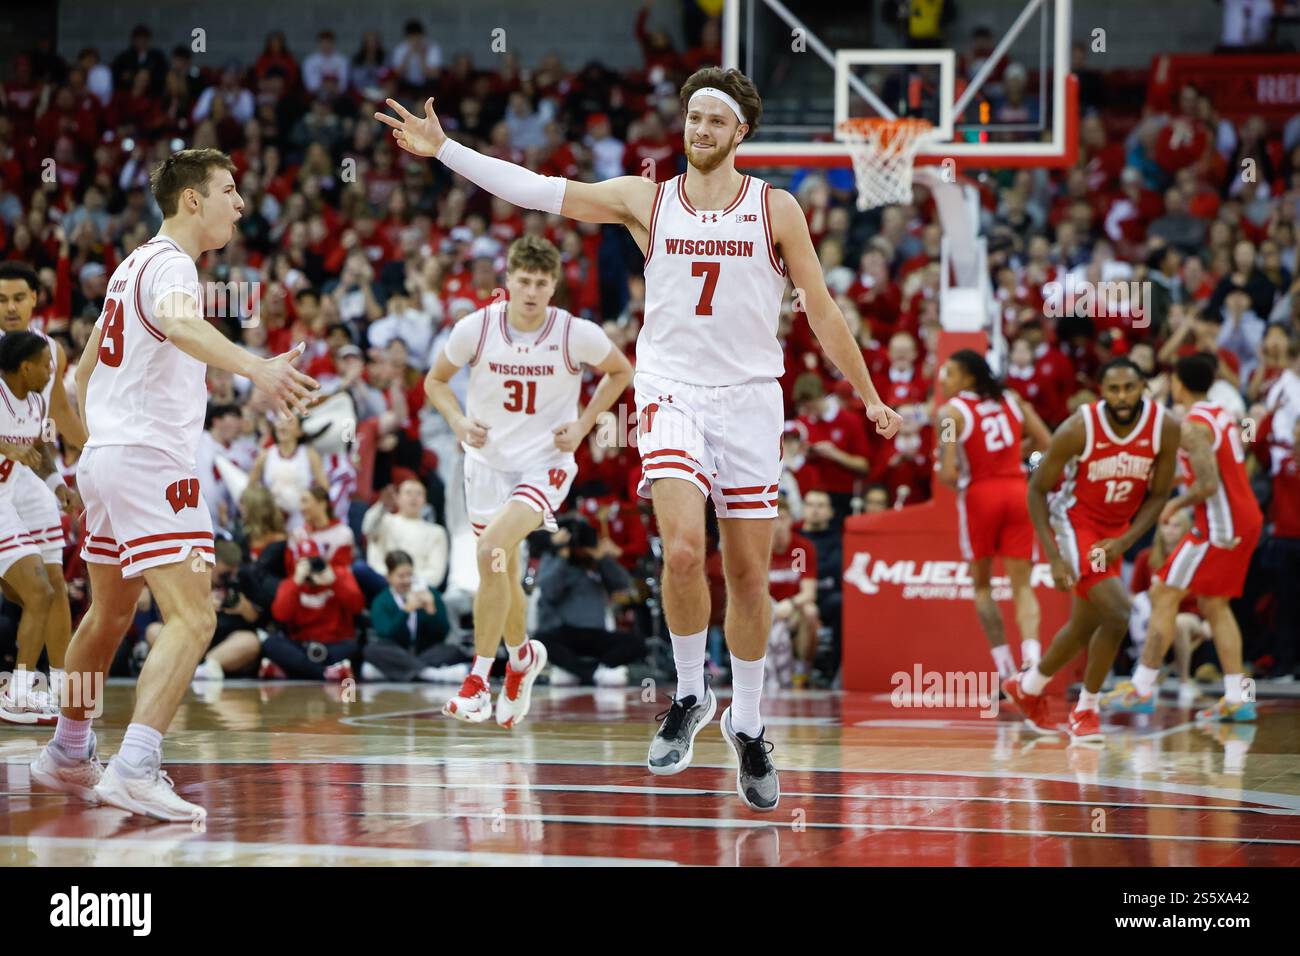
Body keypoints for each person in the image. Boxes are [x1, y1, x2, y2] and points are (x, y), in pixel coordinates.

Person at [379, 66, 901, 811]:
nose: (700, 131)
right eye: (693, 118)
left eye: (715, 121)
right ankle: (690, 694)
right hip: (671, 394)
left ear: (740, 132)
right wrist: (447, 150)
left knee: (748, 576)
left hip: (751, 400)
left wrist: (870, 395)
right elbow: (539, 188)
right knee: (684, 550)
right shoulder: (646, 200)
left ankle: (748, 725)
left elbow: (820, 307)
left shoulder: (775, 209)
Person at [29, 148, 317, 823]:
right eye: (230, 189)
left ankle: (69, 752)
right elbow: (185, 324)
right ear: (193, 200)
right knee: (195, 617)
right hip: (150, 461)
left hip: (107, 457)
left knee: (109, 615)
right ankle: (134, 767)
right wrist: (258, 369)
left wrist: (84, 443)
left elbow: (85, 368)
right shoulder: (173, 265)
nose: (240, 203)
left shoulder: (130, 266)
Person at [422, 235, 632, 728]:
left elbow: (620, 371)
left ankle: (477, 682)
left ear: (553, 286)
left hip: (544, 463)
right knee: (504, 570)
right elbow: (434, 381)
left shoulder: (573, 333)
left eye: (542, 283)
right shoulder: (476, 328)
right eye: (524, 281)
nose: (532, 291)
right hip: (487, 463)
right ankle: (521, 658)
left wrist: (583, 425)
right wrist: (456, 421)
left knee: (490, 550)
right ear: (508, 283)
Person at [1003, 358, 1180, 744]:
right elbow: (1036, 489)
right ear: (1101, 392)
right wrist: (1053, 555)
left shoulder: (1164, 427)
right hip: (1076, 524)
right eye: (1113, 389)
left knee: (1085, 624)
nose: (1121, 396)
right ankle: (1086, 708)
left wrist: (1126, 540)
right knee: (1118, 613)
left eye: (1129, 388)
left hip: (1117, 531)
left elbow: (1161, 494)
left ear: (1142, 389)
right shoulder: (1079, 427)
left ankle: (1028, 687)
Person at [1103, 354, 1263, 721]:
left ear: (1179, 384)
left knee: (1163, 591)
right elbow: (1216, 466)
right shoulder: (1218, 412)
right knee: (1214, 605)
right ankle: (1238, 697)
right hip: (1239, 517)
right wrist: (1170, 483)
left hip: (1220, 524)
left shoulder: (1192, 425)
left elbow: (1207, 485)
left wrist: (1175, 506)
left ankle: (1142, 688)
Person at [0, 262, 87, 713]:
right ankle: (16, 686)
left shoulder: (50, 352)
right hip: (6, 469)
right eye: (1, 300)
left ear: (36, 298)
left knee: (52, 580)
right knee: (31, 589)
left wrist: (95, 449)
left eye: (18, 297)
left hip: (22, 474)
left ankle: (56, 688)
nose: (10, 307)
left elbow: (53, 419)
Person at [935, 349, 1052, 679]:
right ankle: (1032, 659)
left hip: (981, 496)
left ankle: (1005, 672)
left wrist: (948, 464)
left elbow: (947, 471)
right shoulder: (1012, 399)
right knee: (1022, 587)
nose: (944, 380)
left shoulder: (949, 414)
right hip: (1018, 491)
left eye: (950, 374)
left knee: (983, 586)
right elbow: (1046, 442)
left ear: (968, 378)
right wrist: (1017, 453)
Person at [0, 333, 61, 724]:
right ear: (26, 367)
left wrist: (60, 488)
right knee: (40, 593)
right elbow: (15, 447)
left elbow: (43, 449)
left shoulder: (38, 403)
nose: (51, 369)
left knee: (41, 595)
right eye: (45, 363)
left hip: (11, 493)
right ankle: (16, 695)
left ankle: (21, 690)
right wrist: (6, 447)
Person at [533, 520, 645, 686]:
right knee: (540, 641)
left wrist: (602, 559)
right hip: (565, 632)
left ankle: (584, 670)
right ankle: (591, 672)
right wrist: (562, 558)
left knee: (637, 642)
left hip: (595, 633)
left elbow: (622, 584)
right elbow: (549, 592)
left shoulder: (596, 562)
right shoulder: (553, 557)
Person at [361, 550, 468, 683]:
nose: (406, 580)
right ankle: (430, 674)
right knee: (371, 650)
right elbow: (385, 634)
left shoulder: (430, 594)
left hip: (425, 652)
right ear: (388, 577)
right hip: (397, 651)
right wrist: (405, 612)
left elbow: (442, 634)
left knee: (453, 650)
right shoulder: (381, 600)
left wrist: (431, 610)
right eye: (401, 576)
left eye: (409, 575)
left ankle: (397, 672)